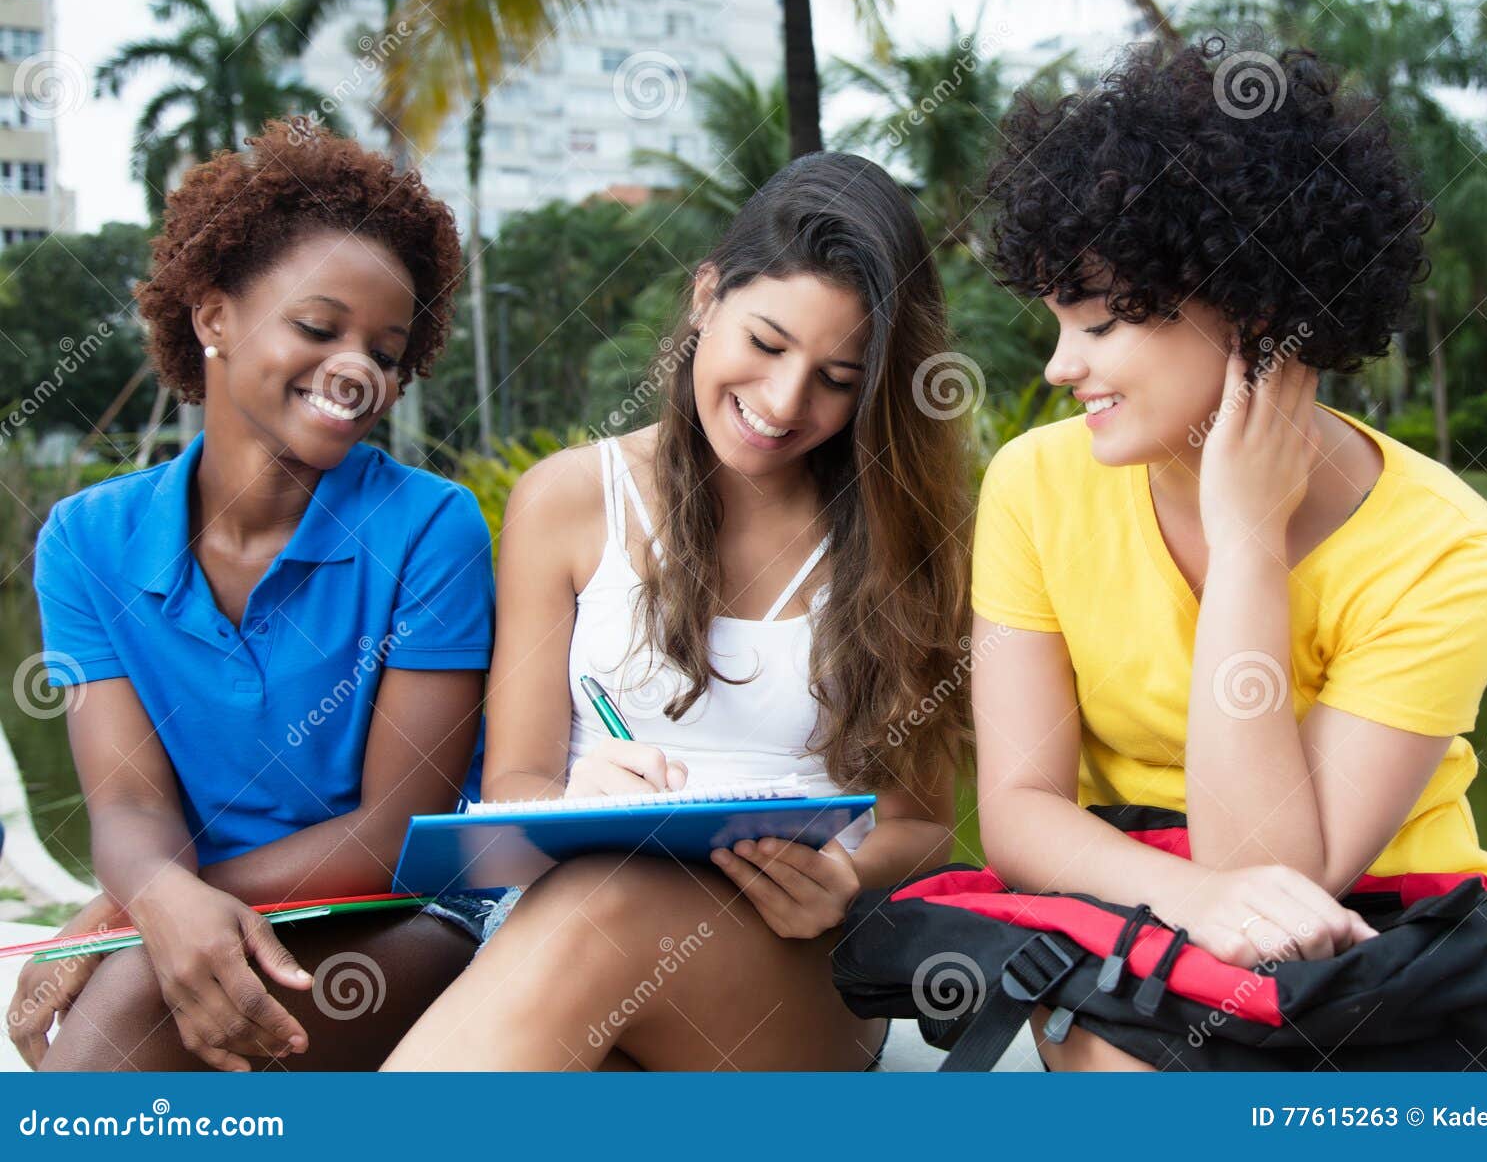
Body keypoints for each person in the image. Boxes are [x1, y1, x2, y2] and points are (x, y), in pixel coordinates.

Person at [971, 37, 1487, 1072]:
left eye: (1095, 325)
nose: (1057, 367)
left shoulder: (1451, 554)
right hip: (1140, 913)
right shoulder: (1033, 487)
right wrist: (1191, 897)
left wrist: (1243, 540)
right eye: (1054, 323)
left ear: (1257, 321)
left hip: (1381, 950)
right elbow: (1017, 811)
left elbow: (1275, 870)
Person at [384, 151, 971, 1071]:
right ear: (707, 298)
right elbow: (518, 787)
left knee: (604, 910)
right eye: (767, 345)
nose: (783, 403)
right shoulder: (568, 500)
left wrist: (847, 876)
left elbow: (925, 822)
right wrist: (579, 802)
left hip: (791, 972)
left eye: (838, 377)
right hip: (566, 940)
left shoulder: (906, 536)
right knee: (599, 920)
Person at [9, 119, 495, 1071]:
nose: (357, 371)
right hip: (202, 909)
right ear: (214, 316)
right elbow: (128, 808)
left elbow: (397, 835)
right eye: (318, 328)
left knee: (116, 1036)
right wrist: (159, 896)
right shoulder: (85, 542)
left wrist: (139, 904)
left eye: (387, 352)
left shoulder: (433, 529)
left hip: (406, 919)